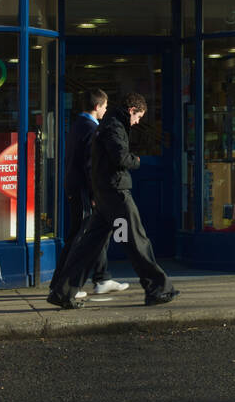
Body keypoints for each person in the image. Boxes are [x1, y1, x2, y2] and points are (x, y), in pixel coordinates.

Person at [48, 93, 178, 309]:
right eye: (138, 117)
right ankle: (158, 288)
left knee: (90, 245)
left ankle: (63, 292)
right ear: (131, 110)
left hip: (105, 195)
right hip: (116, 193)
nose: (137, 123)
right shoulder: (114, 126)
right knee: (136, 240)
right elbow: (120, 157)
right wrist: (135, 161)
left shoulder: (108, 124)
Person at [48, 88, 129, 300]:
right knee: (81, 236)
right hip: (85, 190)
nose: (106, 110)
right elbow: (89, 165)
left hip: (76, 187)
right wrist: (95, 192)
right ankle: (62, 283)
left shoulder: (78, 125)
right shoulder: (91, 128)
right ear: (97, 106)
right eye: (104, 106)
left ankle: (102, 278)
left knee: (92, 233)